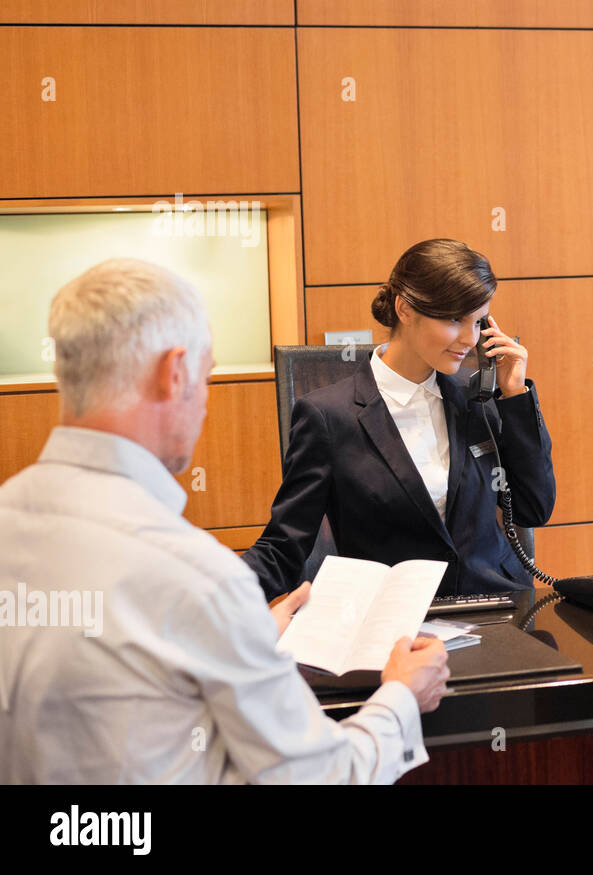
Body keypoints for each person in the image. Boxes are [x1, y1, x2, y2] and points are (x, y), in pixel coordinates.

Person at [0, 259, 449, 783]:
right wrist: (401, 696)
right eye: (207, 378)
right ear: (174, 373)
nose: (206, 405)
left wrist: (245, 631)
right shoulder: (197, 577)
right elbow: (321, 775)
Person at [240, 239, 557, 602]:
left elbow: (534, 507)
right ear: (405, 310)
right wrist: (212, 598)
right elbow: (284, 545)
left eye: (479, 321)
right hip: (393, 624)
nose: (470, 339)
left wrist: (515, 395)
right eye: (455, 319)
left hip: (495, 611)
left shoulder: (478, 400)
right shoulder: (329, 418)